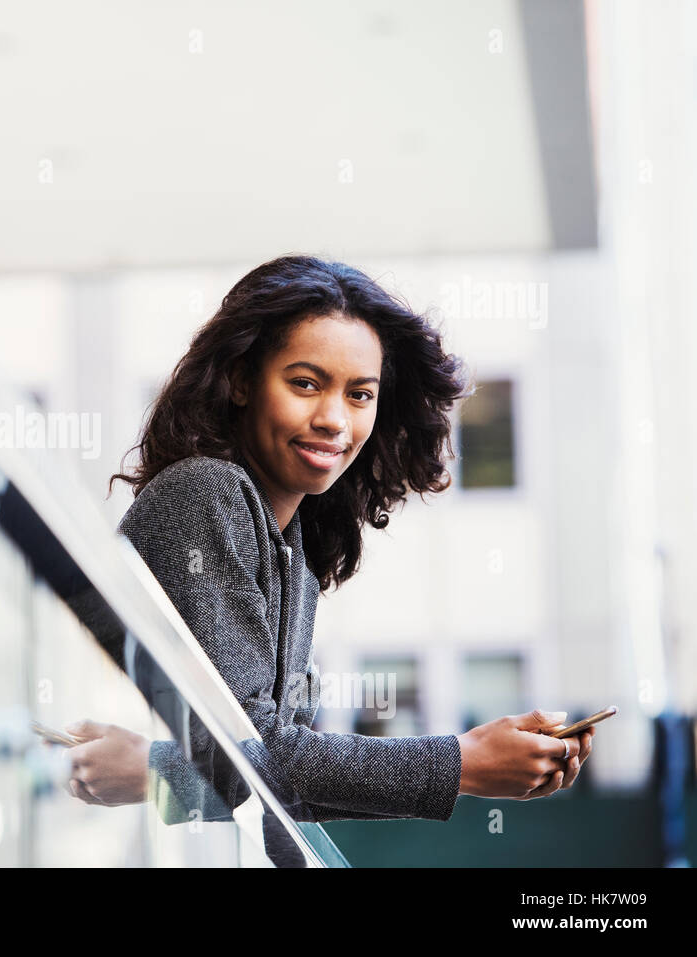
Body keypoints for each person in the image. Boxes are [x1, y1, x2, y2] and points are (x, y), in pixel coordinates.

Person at [61, 255, 595, 840]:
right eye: (305, 384)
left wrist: (153, 772)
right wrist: (462, 762)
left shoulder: (293, 549)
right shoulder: (203, 493)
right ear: (241, 381)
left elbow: (268, 782)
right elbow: (252, 756)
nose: (334, 420)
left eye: (359, 395)